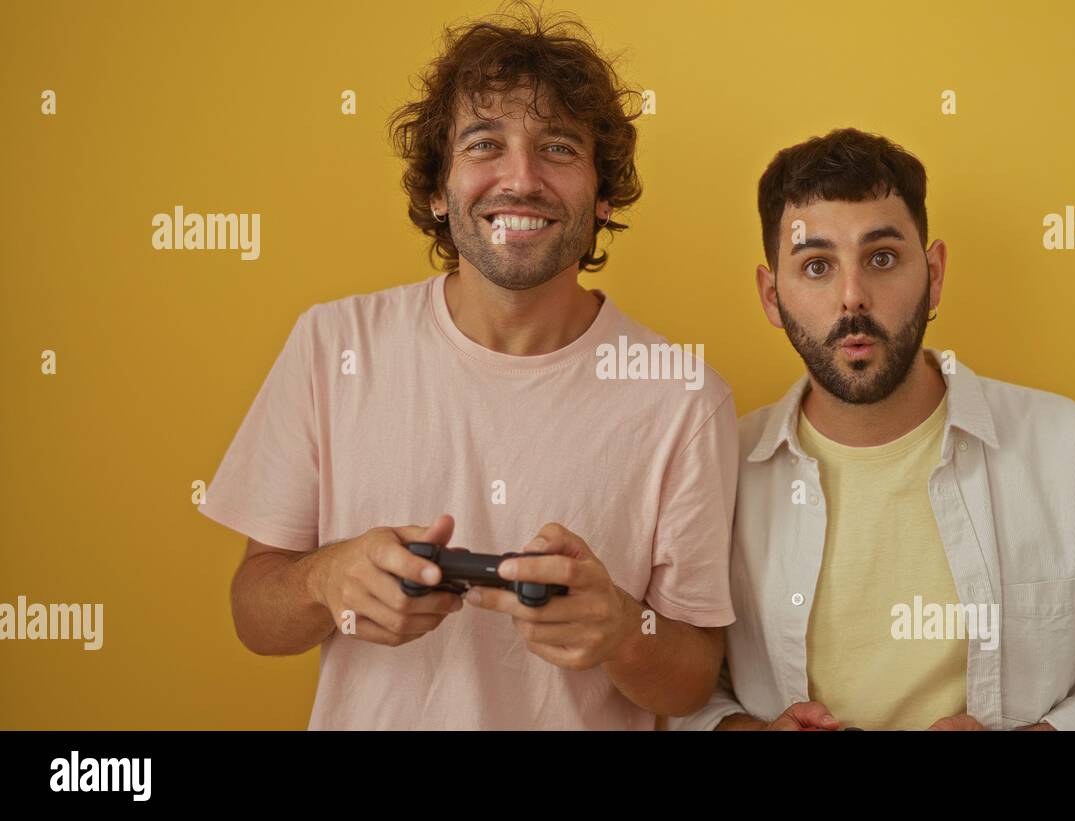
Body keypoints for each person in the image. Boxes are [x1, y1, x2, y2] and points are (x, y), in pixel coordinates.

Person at [199, 6, 737, 730]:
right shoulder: (331, 344)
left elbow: (692, 679)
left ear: (603, 198)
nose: (521, 178)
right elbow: (252, 615)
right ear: (435, 189)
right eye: (485, 144)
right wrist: (326, 579)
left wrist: (619, 629)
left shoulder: (685, 399)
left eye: (558, 148)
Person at [670, 127, 1075, 731]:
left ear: (932, 272)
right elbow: (681, 685)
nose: (853, 297)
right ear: (772, 297)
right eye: (817, 265)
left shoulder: (1069, 447)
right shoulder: (722, 466)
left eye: (882, 258)